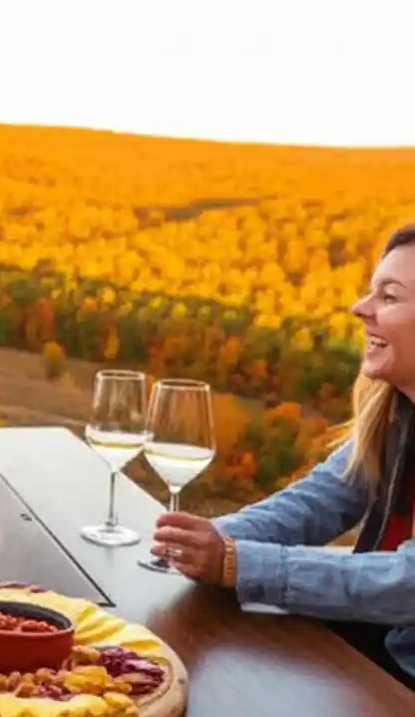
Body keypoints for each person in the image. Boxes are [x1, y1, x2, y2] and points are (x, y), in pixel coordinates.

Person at [151, 223, 415, 690]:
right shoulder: (396, 412)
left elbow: (407, 584)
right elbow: (317, 502)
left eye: (389, 297)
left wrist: (238, 565)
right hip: (368, 651)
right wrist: (209, 540)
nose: (361, 309)